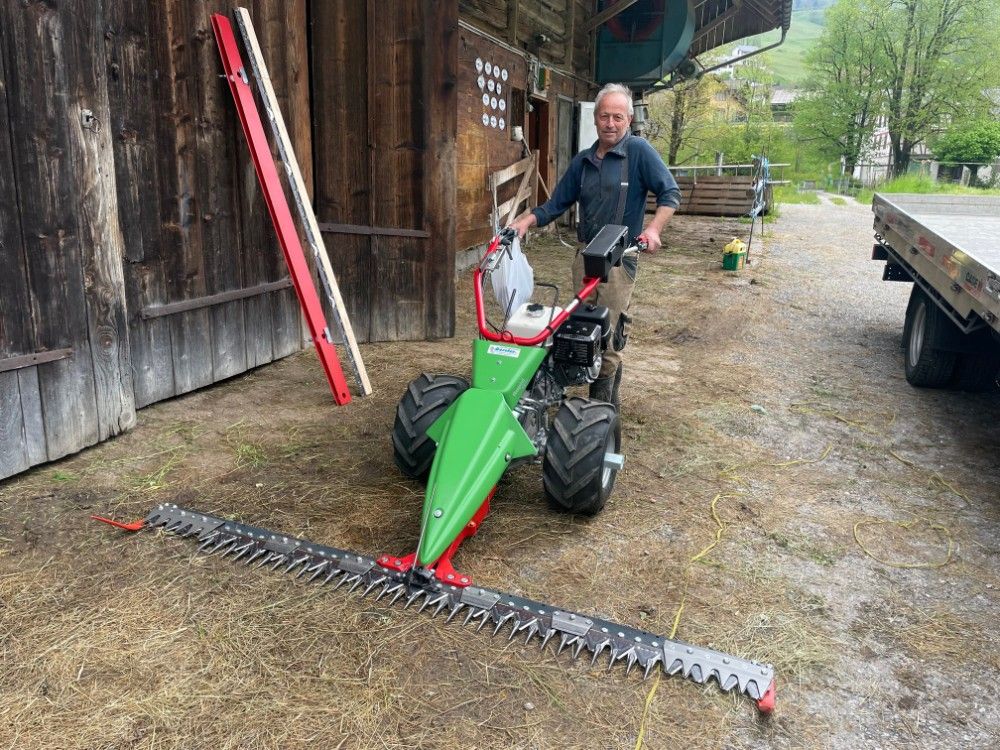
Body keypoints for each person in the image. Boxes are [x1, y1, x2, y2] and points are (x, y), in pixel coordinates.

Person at [509, 82, 681, 407]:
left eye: (618, 117)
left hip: (619, 260)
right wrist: (525, 222)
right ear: (596, 119)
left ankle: (603, 409)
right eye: (605, 116)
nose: (610, 123)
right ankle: (586, 401)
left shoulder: (638, 153)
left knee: (609, 332)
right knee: (583, 326)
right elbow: (554, 204)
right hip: (585, 256)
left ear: (628, 120)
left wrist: (654, 229)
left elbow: (670, 193)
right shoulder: (583, 161)